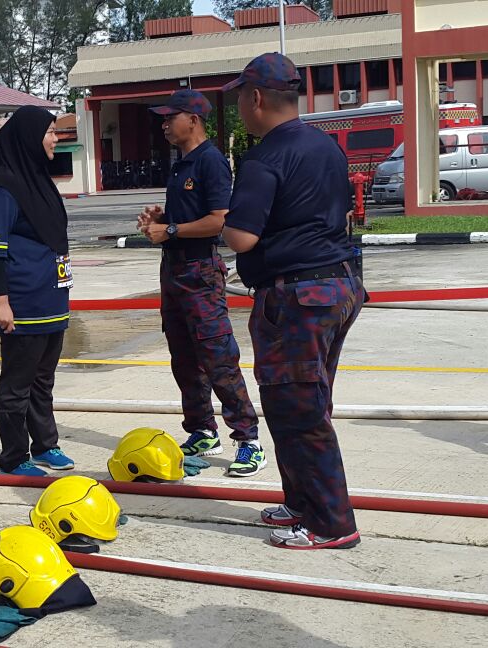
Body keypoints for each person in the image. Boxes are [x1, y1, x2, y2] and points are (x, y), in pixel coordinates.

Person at [220, 53, 365, 550]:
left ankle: (332, 523)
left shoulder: (265, 157)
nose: (240, 106)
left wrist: (210, 221)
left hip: (298, 296)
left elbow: (240, 237)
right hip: (338, 286)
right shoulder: (326, 146)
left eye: (241, 97)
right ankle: (302, 502)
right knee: (304, 401)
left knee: (297, 408)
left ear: (255, 98)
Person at [139, 90, 263, 478]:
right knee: (184, 358)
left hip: (200, 273)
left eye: (169, 117)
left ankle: (248, 438)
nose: (163, 124)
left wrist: (171, 228)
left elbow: (219, 220)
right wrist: (164, 217)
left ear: (192, 119)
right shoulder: (181, 165)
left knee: (218, 357)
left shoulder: (210, 161)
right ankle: (202, 430)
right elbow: (190, 218)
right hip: (175, 272)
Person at [0, 106, 74, 477]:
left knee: (43, 380)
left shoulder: (39, 181)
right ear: (28, 138)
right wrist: (0, 301)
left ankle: (45, 445)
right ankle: (14, 457)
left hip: (51, 298)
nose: (55, 138)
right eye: (50, 132)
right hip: (20, 303)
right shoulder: (4, 187)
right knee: (16, 384)